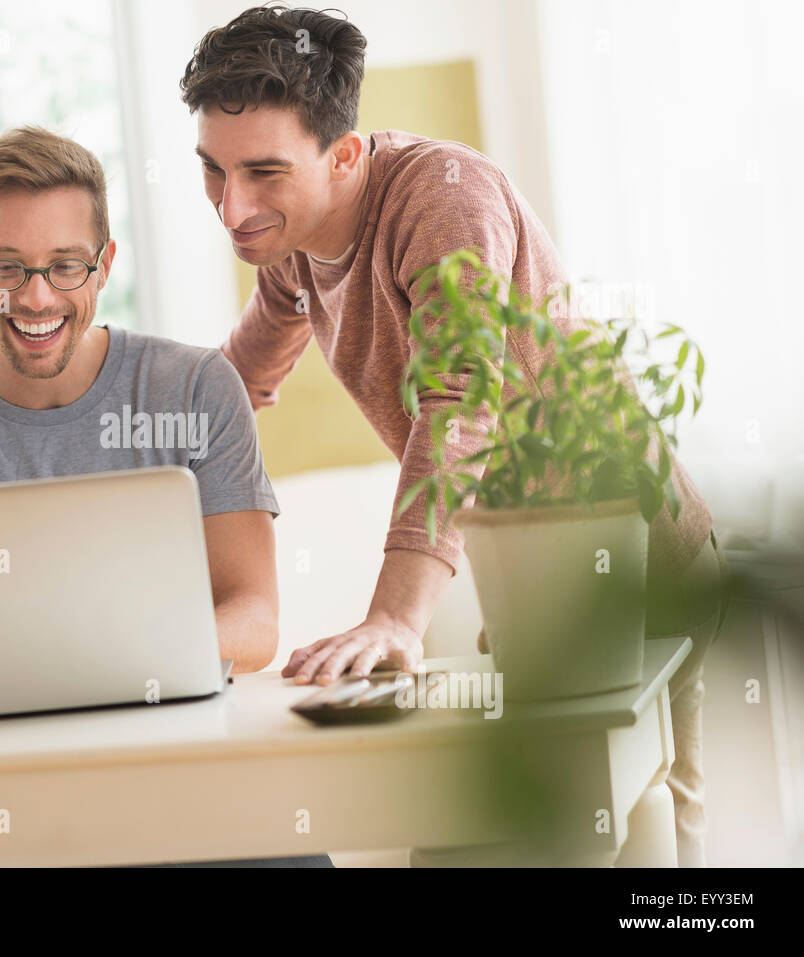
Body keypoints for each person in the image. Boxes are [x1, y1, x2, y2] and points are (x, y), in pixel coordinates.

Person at [180, 3, 728, 866]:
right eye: (212, 170)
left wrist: (394, 617)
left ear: (346, 154)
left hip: (633, 563)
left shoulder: (444, 199)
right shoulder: (290, 243)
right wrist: (122, 472)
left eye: (263, 173)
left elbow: (461, 394)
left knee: (658, 837)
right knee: (481, 838)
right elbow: (233, 382)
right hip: (528, 577)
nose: (233, 208)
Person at [0, 125, 331, 866]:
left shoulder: (193, 389)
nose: (36, 297)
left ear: (105, 264)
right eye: (6, 268)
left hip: (184, 790)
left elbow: (252, 622)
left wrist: (69, 652)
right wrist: (67, 655)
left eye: (65, 266)